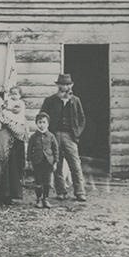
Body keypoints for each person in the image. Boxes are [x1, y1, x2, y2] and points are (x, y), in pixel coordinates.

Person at [40, 74, 87, 202]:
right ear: (58, 85)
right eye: (62, 84)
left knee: (75, 164)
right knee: (57, 164)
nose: (65, 87)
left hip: (70, 136)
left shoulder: (75, 100)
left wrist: (76, 133)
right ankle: (61, 191)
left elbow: (82, 119)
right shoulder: (50, 100)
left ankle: (80, 192)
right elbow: (42, 116)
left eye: (67, 84)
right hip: (54, 135)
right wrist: (47, 134)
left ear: (71, 85)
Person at [27, 112, 59, 209]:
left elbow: (55, 149)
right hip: (37, 162)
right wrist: (29, 161)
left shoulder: (51, 136)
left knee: (47, 182)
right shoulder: (33, 137)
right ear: (36, 124)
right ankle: (39, 199)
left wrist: (55, 162)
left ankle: (46, 199)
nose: (42, 124)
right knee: (38, 182)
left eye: (44, 122)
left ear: (48, 124)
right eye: (40, 122)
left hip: (48, 162)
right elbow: (29, 150)